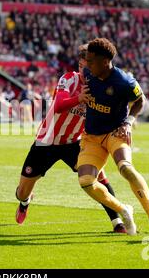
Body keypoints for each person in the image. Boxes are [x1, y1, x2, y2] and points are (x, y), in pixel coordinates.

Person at [15, 45, 127, 233]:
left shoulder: (101, 88)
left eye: (91, 68)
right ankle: (25, 202)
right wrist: (80, 98)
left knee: (99, 178)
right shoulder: (68, 79)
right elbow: (58, 105)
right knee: (21, 192)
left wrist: (122, 126)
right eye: (84, 67)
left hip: (74, 143)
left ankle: (118, 222)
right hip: (46, 143)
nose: (87, 72)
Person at [77, 38, 149, 236]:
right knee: (85, 181)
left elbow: (140, 100)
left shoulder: (124, 81)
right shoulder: (88, 74)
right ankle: (123, 210)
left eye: (91, 61)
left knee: (125, 168)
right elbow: (85, 92)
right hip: (91, 137)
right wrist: (82, 96)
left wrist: (128, 122)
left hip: (115, 132)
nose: (87, 64)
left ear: (105, 61)